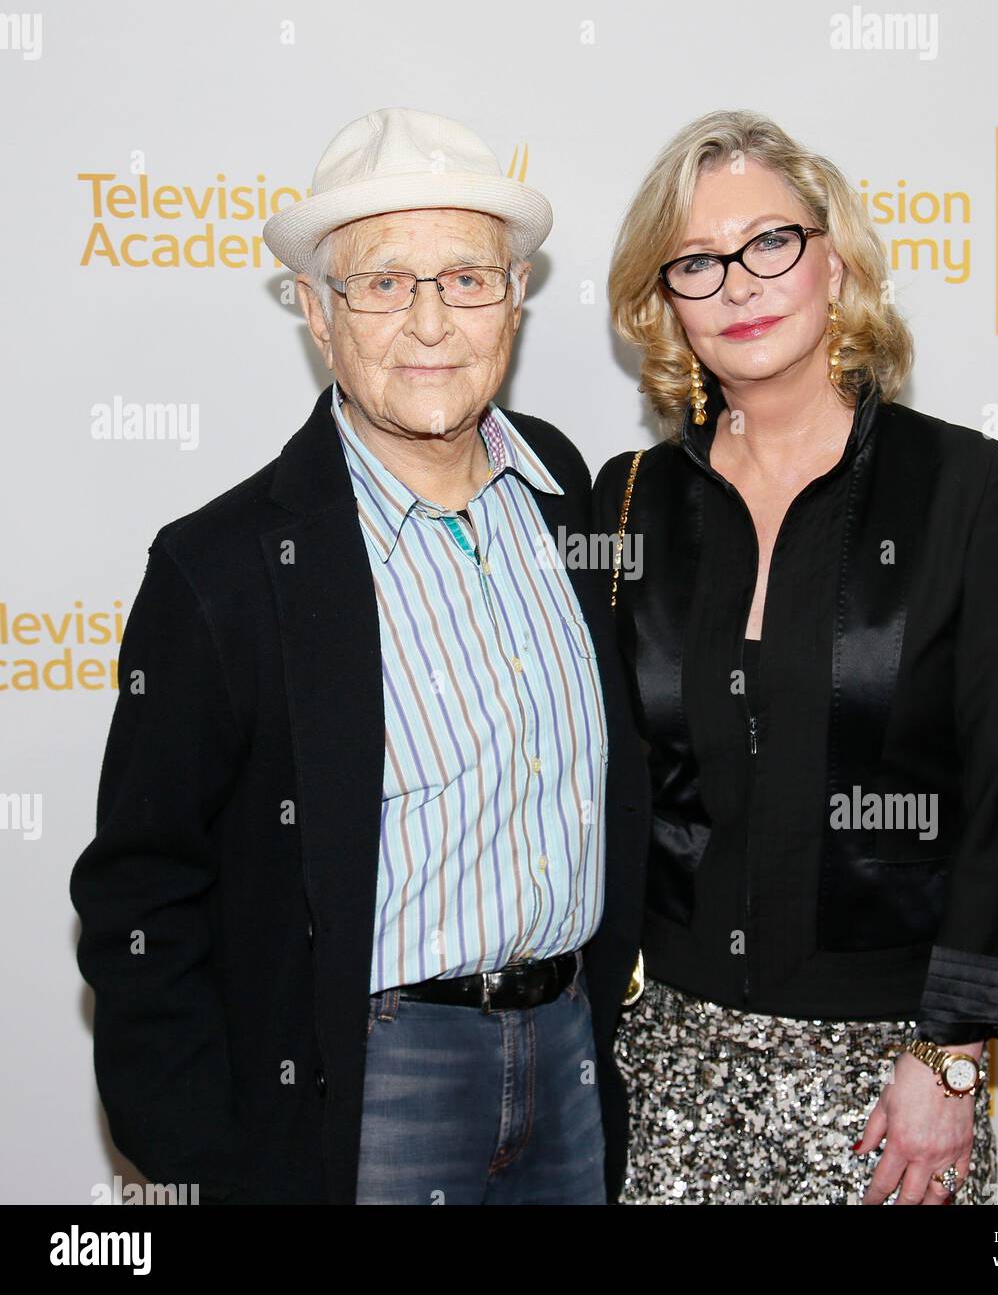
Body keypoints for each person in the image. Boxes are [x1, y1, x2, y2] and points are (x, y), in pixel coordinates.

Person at [69, 107, 649, 1205]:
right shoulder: (224, 567)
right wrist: (197, 1155)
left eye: (467, 279)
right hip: (373, 1077)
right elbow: (142, 886)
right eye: (383, 284)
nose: (430, 321)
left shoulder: (570, 495)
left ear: (513, 301)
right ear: (316, 313)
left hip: (572, 1058)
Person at [592, 109, 998, 1205]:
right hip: (665, 1066)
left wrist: (950, 1057)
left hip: (888, 1082)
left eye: (770, 243)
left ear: (832, 256)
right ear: (664, 301)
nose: (738, 285)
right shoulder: (628, 500)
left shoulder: (958, 485)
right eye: (696, 262)